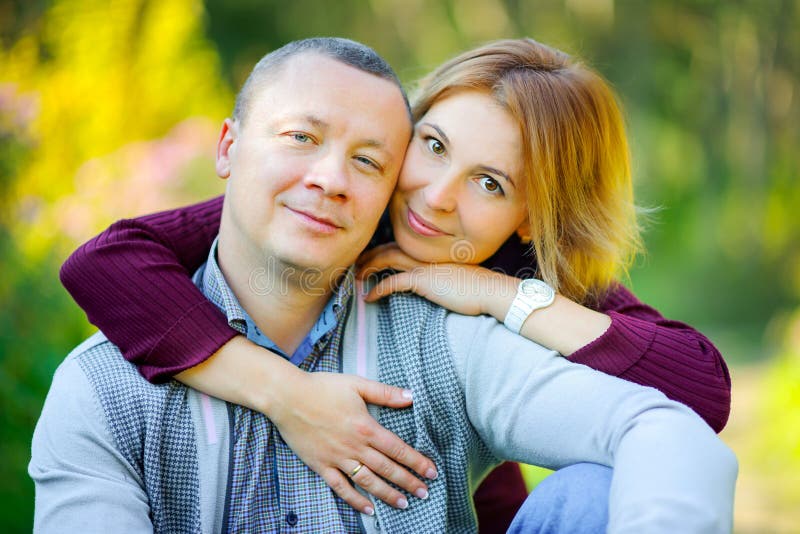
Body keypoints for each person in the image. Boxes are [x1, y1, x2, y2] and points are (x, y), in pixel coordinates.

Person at [32, 37, 736, 533]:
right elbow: (105, 261)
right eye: (431, 147)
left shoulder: (518, 277)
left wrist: (497, 296)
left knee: (594, 495)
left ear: (531, 219)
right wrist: (289, 394)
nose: (432, 198)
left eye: (490, 183)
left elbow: (696, 392)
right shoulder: (326, 206)